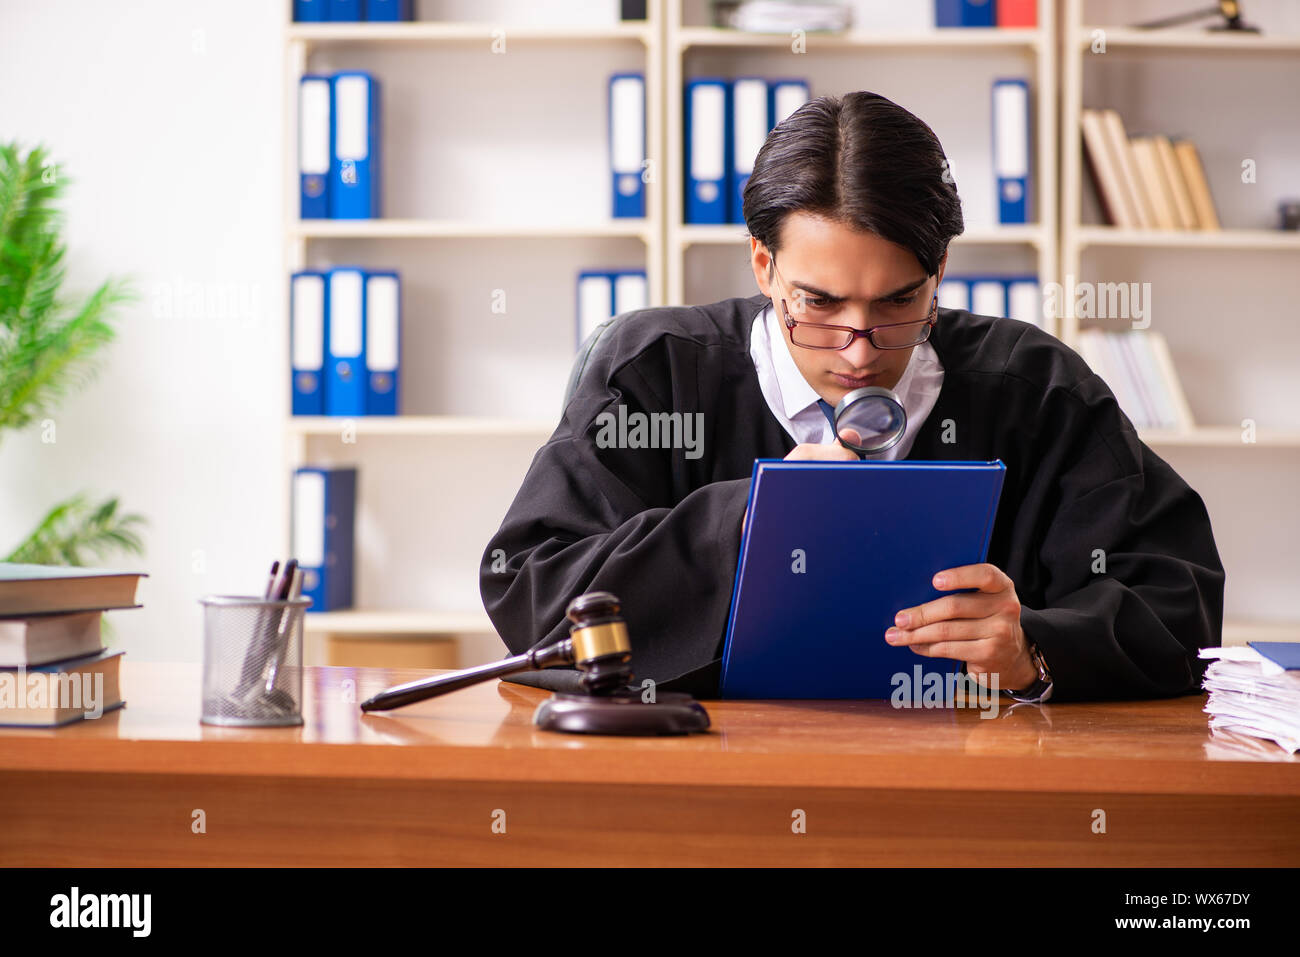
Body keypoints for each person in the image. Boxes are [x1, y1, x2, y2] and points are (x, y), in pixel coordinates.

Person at [480, 91, 1225, 702]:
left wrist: (1036, 646)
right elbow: (532, 589)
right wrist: (742, 520)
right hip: (710, 772)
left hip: (974, 780)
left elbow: (1180, 599)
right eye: (821, 303)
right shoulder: (655, 375)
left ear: (939, 271)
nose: (860, 348)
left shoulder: (1037, 391)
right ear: (764, 265)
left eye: (899, 303)